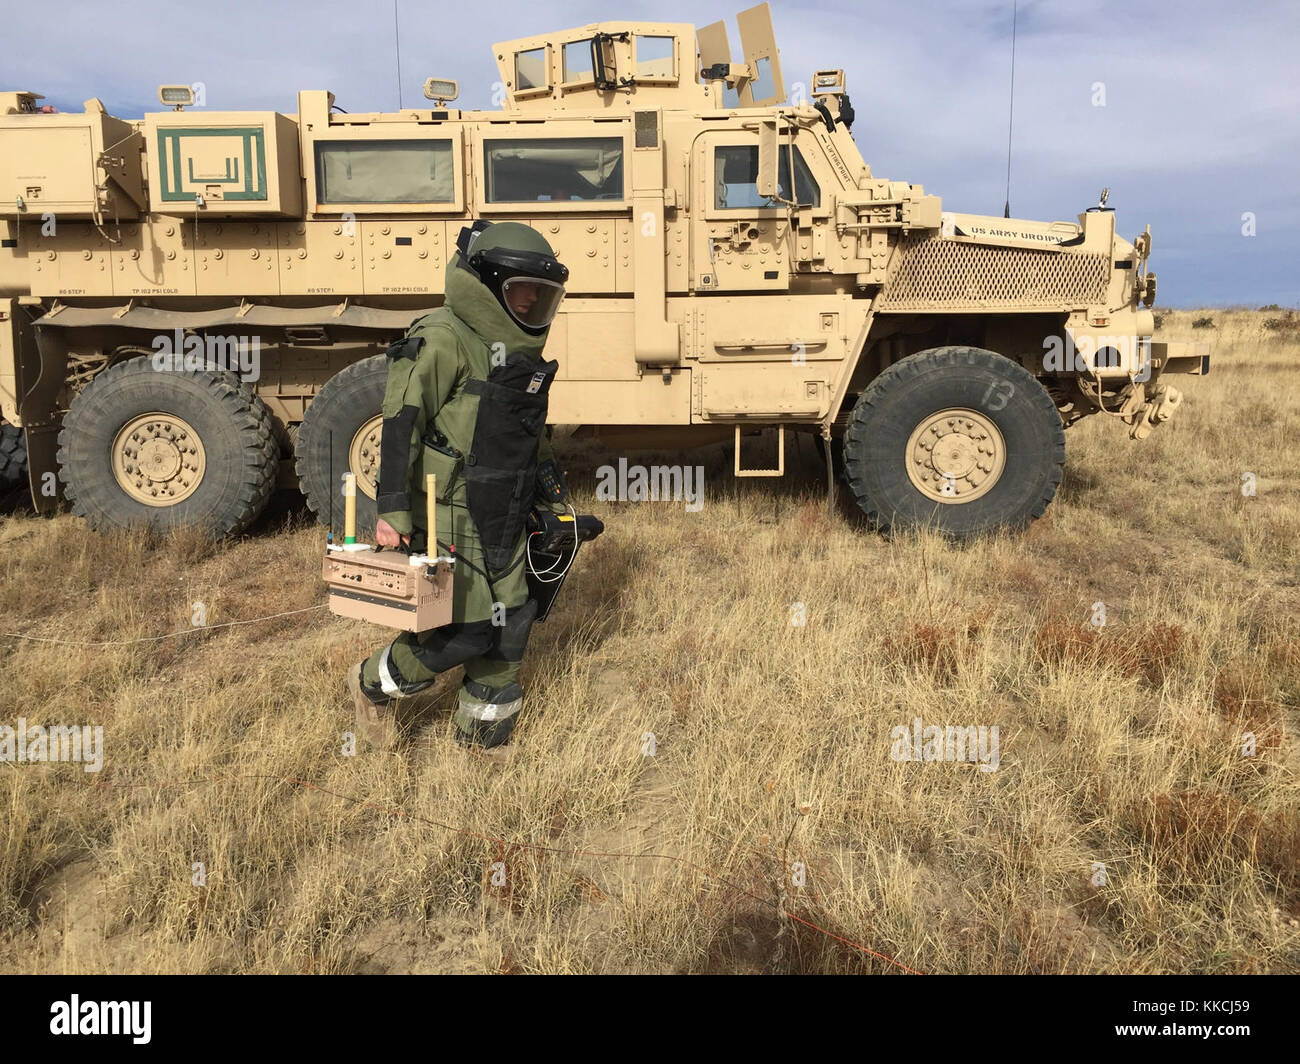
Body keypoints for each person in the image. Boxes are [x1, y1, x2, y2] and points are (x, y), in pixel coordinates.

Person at [347, 220, 572, 753]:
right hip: (449, 509)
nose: (529, 304)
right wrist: (394, 511)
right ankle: (371, 684)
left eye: (539, 295)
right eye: (520, 292)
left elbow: (529, 436)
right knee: (465, 632)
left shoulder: (518, 352)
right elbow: (401, 422)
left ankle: (481, 738)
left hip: (505, 507)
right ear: (486, 284)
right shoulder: (442, 336)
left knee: (513, 618)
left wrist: (555, 500)